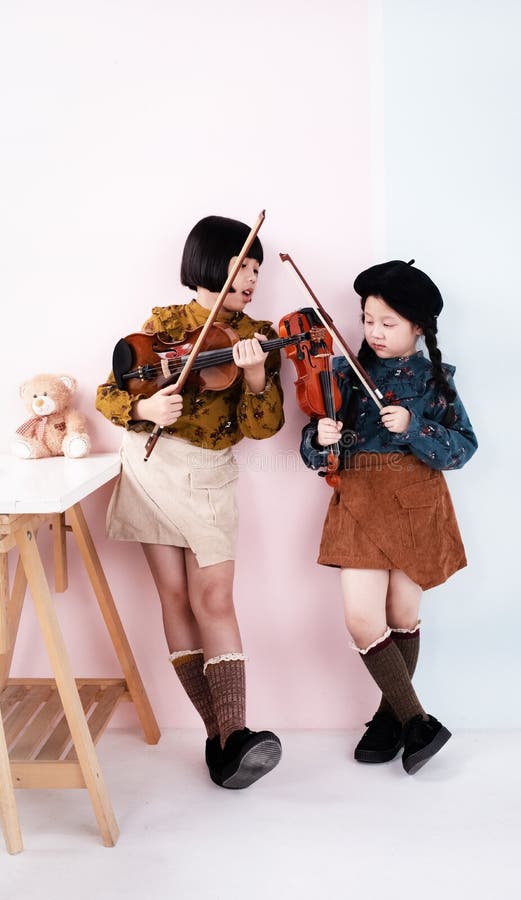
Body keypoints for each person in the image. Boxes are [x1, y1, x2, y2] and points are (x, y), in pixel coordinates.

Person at [96, 215, 284, 789]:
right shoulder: (164, 325)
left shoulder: (257, 334)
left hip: (207, 475)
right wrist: (146, 411)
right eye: (241, 267)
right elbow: (110, 393)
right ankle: (222, 739)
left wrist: (255, 379)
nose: (251, 279)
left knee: (214, 598)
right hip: (152, 467)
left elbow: (264, 428)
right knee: (174, 597)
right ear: (206, 264)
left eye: (256, 269)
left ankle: (233, 734)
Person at [299, 259, 478, 774]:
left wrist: (414, 425)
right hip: (356, 497)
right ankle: (417, 719)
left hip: (414, 500)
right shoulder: (341, 376)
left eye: (388, 323)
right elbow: (312, 456)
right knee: (361, 619)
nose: (374, 332)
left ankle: (390, 717)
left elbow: (463, 449)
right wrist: (320, 439)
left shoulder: (435, 381)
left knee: (401, 616)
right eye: (368, 319)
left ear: (418, 327)